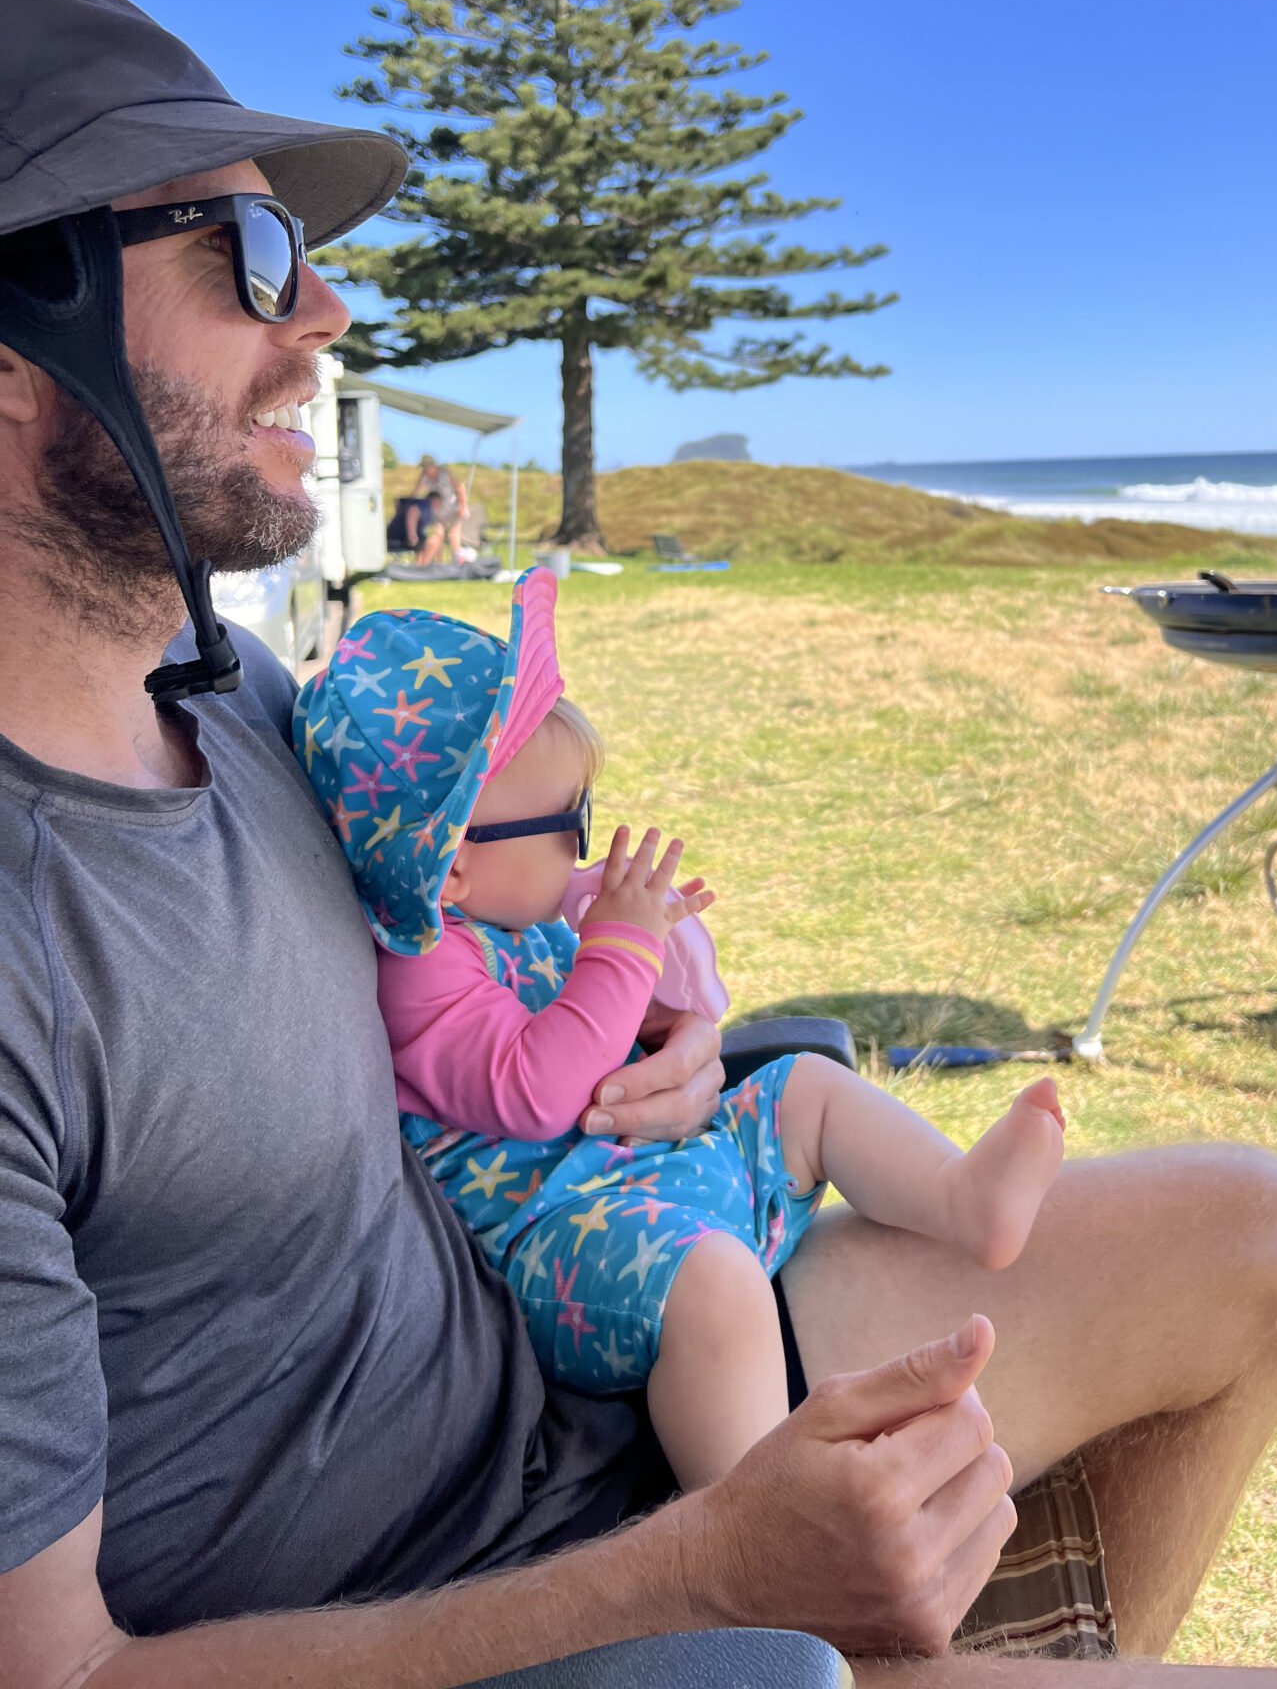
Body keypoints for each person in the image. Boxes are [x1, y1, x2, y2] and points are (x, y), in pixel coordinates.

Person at [0, 0, 1277, 1689]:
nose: (329, 311)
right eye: (249, 258)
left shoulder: (237, 702)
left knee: (1268, 1240)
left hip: (576, 1355)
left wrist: (677, 1021)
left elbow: (487, 932)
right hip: (492, 1616)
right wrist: (703, 1575)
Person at [294, 590, 1067, 1492]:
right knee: (717, 1288)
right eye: (568, 823)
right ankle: (755, 1520)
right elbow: (537, 1088)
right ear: (453, 862)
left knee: (805, 1088)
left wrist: (658, 959)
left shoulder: (512, 916)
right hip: (560, 1245)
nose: (585, 841)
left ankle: (964, 1195)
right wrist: (616, 949)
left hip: (644, 1178)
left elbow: (644, 1017)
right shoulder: (419, 975)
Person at [412, 452, 470, 565]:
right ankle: (439, 564)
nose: (425, 470)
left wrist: (463, 507)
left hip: (454, 509)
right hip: (439, 512)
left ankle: (457, 562)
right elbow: (415, 492)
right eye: (423, 468)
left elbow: (460, 488)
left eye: (426, 468)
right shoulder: (424, 477)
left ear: (433, 466)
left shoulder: (445, 474)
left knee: (453, 535)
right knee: (438, 535)